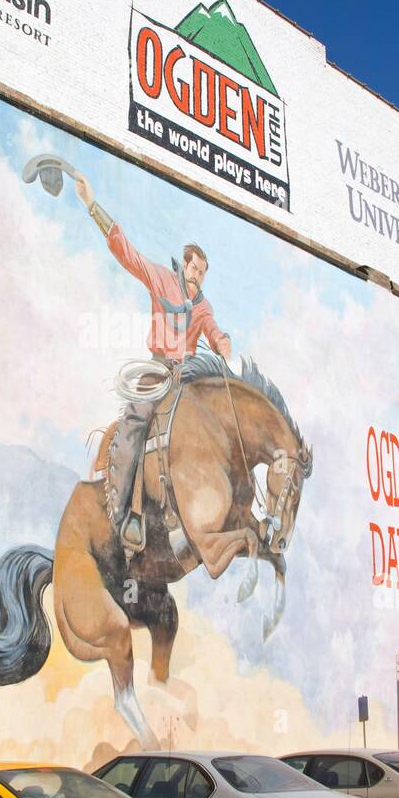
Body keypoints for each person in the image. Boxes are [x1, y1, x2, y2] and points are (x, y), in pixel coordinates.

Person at [75, 174, 231, 553]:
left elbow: (213, 331)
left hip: (188, 375)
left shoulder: (203, 306)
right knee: (136, 422)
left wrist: (225, 348)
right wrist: (93, 205)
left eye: (203, 273)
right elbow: (128, 254)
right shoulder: (161, 278)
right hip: (158, 369)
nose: (198, 277)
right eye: (195, 269)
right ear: (185, 265)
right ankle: (124, 514)